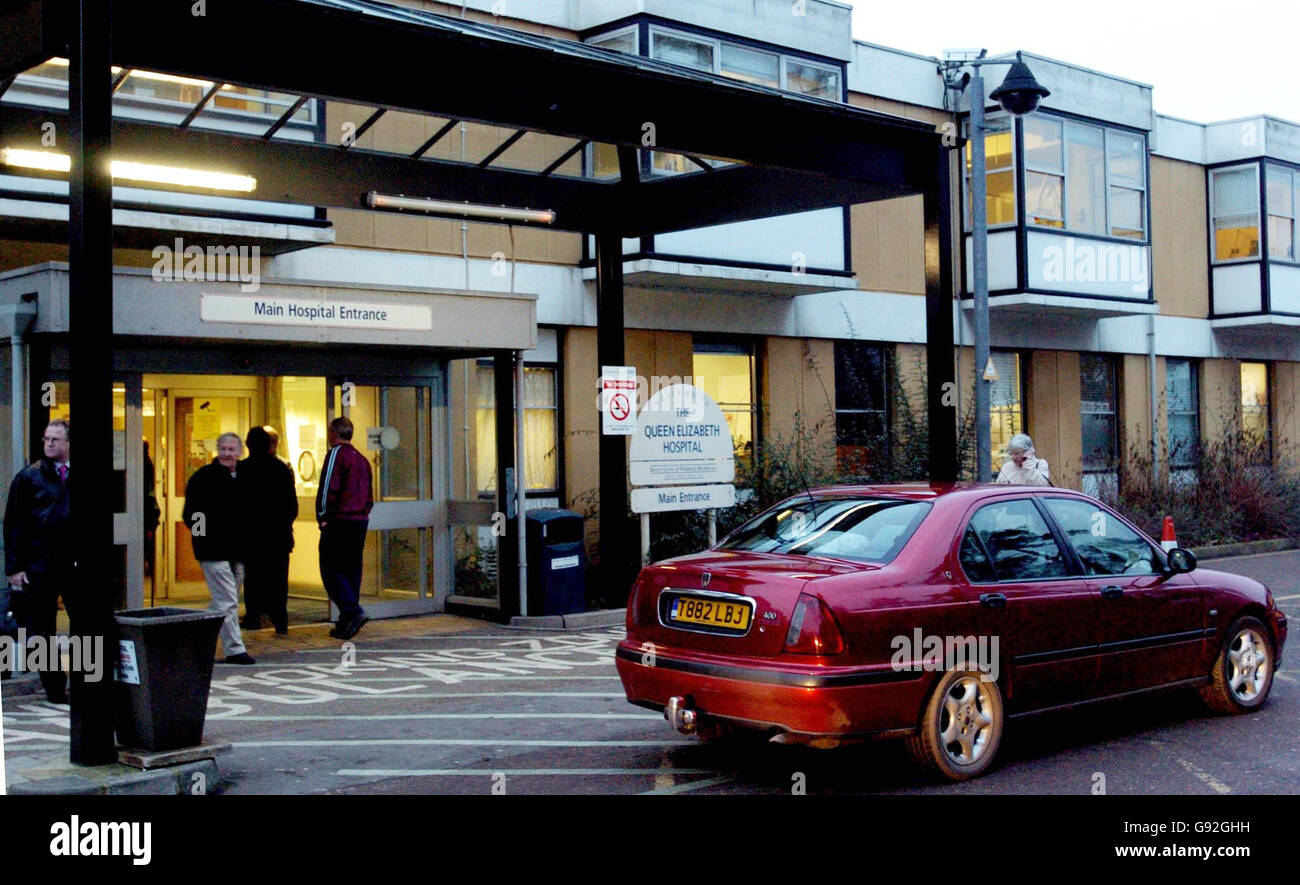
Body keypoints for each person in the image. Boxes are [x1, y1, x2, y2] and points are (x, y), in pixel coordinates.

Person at [3, 419, 74, 702]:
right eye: (46, 439)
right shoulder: (29, 477)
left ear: (69, 443)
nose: (49, 444)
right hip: (38, 565)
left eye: (56, 439)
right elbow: (13, 524)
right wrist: (15, 568)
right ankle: (55, 688)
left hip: (72, 565)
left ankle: (86, 682)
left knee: (86, 623)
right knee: (41, 629)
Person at [183, 431, 255, 664]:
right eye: (222, 448)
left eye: (231, 449)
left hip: (239, 551)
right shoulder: (204, 477)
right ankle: (235, 650)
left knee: (222, 603)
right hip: (213, 551)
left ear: (240, 452)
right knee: (227, 600)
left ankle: (195, 639)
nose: (226, 453)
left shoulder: (246, 476)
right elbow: (192, 514)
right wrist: (203, 540)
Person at [317, 416, 373, 640]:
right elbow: (369, 494)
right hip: (359, 520)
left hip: (340, 520)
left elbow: (328, 488)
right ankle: (346, 620)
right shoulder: (362, 459)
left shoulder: (335, 455)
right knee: (351, 570)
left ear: (334, 433)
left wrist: (323, 516)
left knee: (330, 569)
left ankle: (352, 611)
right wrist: (364, 512)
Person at [239, 426, 297, 635]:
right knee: (278, 578)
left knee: (252, 577)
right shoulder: (281, 469)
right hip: (278, 536)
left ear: (248, 445)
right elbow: (292, 506)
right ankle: (280, 619)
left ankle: (253, 616)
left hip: (251, 537)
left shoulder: (241, 470)